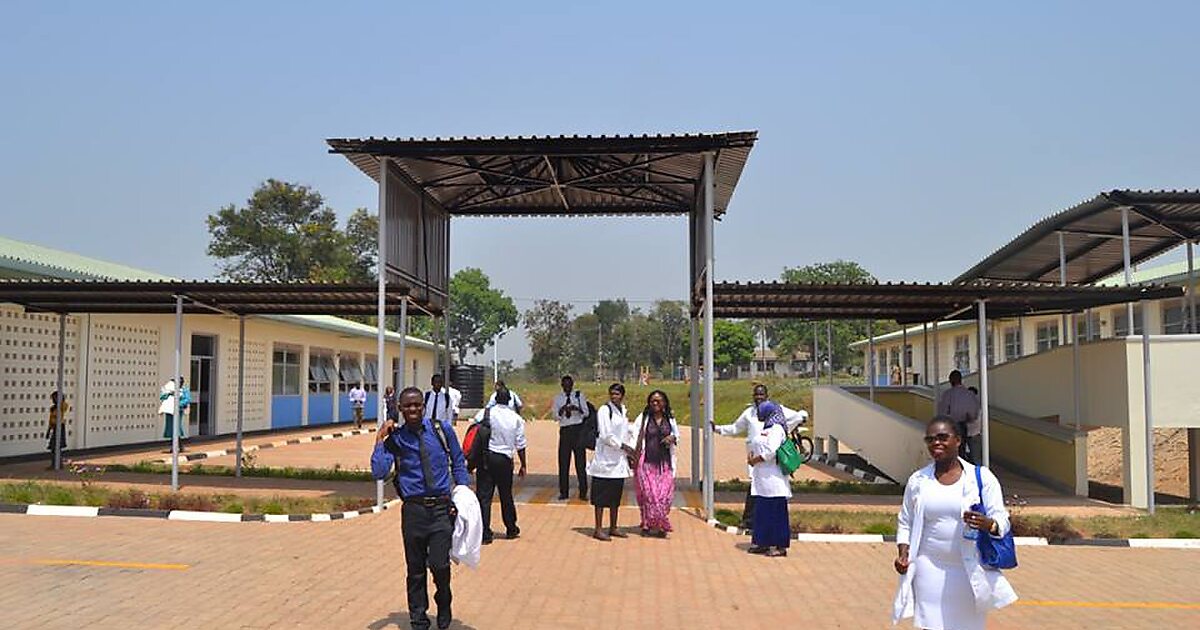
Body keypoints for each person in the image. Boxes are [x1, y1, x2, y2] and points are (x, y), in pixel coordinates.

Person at [892, 416, 1017, 629]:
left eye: (942, 437)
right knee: (929, 625)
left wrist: (988, 524)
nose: (936, 443)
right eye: (930, 439)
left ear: (958, 440)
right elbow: (906, 521)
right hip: (928, 567)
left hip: (968, 571)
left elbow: (1002, 521)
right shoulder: (918, 481)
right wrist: (903, 553)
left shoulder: (981, 478)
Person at [371, 387, 471, 630]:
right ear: (401, 409)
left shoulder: (441, 430)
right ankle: (418, 619)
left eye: (416, 405)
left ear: (423, 407)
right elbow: (380, 471)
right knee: (415, 569)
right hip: (414, 512)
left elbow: (458, 461)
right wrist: (380, 440)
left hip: (440, 510)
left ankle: (444, 602)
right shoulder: (397, 439)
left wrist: (463, 492)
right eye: (407, 406)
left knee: (439, 564)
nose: (412, 409)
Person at [712, 384, 807, 531]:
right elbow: (735, 428)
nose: (758, 398)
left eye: (761, 395)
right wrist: (717, 429)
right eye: (756, 395)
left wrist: (791, 423)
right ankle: (753, 522)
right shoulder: (749, 413)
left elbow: (798, 417)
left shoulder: (776, 417)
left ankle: (752, 520)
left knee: (768, 493)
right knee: (757, 490)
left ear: (767, 397)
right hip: (756, 461)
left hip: (770, 463)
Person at [471, 389, 527, 545]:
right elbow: (520, 444)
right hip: (505, 460)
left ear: (495, 398)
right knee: (506, 495)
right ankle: (510, 528)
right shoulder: (516, 419)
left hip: (487, 459)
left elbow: (475, 425)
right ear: (509, 400)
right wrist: (523, 464)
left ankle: (485, 533)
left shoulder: (486, 413)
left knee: (484, 496)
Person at [586, 383, 634, 541]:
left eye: (617, 394)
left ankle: (613, 527)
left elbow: (626, 432)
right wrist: (623, 446)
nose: (614, 396)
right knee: (600, 497)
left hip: (619, 460)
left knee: (615, 496)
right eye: (612, 393)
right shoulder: (604, 410)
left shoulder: (623, 410)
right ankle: (598, 529)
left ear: (622, 395)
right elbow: (606, 435)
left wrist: (629, 451)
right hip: (605, 460)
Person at [630, 389, 679, 537]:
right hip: (647, 462)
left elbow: (677, 435)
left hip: (665, 464)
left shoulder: (670, 419)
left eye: (658, 401)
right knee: (649, 495)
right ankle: (647, 524)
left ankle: (660, 522)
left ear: (664, 403)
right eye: (653, 401)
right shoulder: (644, 418)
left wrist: (672, 438)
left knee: (664, 495)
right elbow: (634, 436)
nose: (655, 403)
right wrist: (632, 456)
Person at [746, 402, 792, 557]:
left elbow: (771, 452)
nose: (758, 413)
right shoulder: (765, 428)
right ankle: (763, 543)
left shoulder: (777, 428)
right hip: (761, 480)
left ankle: (780, 546)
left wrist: (755, 460)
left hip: (774, 479)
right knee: (762, 513)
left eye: (761, 411)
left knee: (777, 514)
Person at [551, 375, 590, 501]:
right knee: (563, 463)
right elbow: (555, 417)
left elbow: (587, 412)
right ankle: (564, 492)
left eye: (569, 384)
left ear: (572, 384)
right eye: (565, 385)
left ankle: (583, 492)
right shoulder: (558, 398)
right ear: (562, 385)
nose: (567, 387)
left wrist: (576, 408)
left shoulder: (579, 396)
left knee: (580, 464)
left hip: (577, 430)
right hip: (565, 431)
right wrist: (562, 410)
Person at [938, 370, 981, 464]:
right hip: (965, 425)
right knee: (968, 454)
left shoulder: (947, 394)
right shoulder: (969, 394)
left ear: (950, 381)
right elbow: (974, 413)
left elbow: (942, 413)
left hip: (952, 426)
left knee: (953, 452)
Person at [158, 377, 189, 448]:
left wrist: (178, 404)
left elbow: (187, 399)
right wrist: (169, 393)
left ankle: (176, 446)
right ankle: (178, 446)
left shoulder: (184, 391)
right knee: (170, 428)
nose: (180, 384)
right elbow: (162, 397)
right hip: (169, 411)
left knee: (176, 427)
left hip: (178, 411)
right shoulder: (170, 390)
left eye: (181, 382)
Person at [45, 391, 70, 466]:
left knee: (57, 446)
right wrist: (48, 431)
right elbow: (51, 420)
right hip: (54, 427)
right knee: (53, 447)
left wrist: (61, 400)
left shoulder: (62, 406)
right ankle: (55, 463)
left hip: (60, 426)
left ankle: (58, 463)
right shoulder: (53, 408)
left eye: (54, 398)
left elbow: (65, 406)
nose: (52, 400)